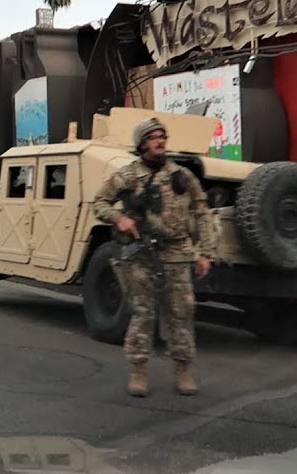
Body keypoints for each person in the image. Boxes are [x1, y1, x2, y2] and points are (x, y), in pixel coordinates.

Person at [91, 117, 214, 398]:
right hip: (141, 254)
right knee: (143, 313)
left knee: (181, 313)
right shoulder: (128, 176)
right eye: (153, 137)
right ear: (142, 143)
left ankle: (182, 370)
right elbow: (99, 203)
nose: (160, 141)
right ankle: (139, 371)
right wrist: (119, 218)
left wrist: (205, 252)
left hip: (177, 252)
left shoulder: (181, 176)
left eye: (162, 136)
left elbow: (202, 212)